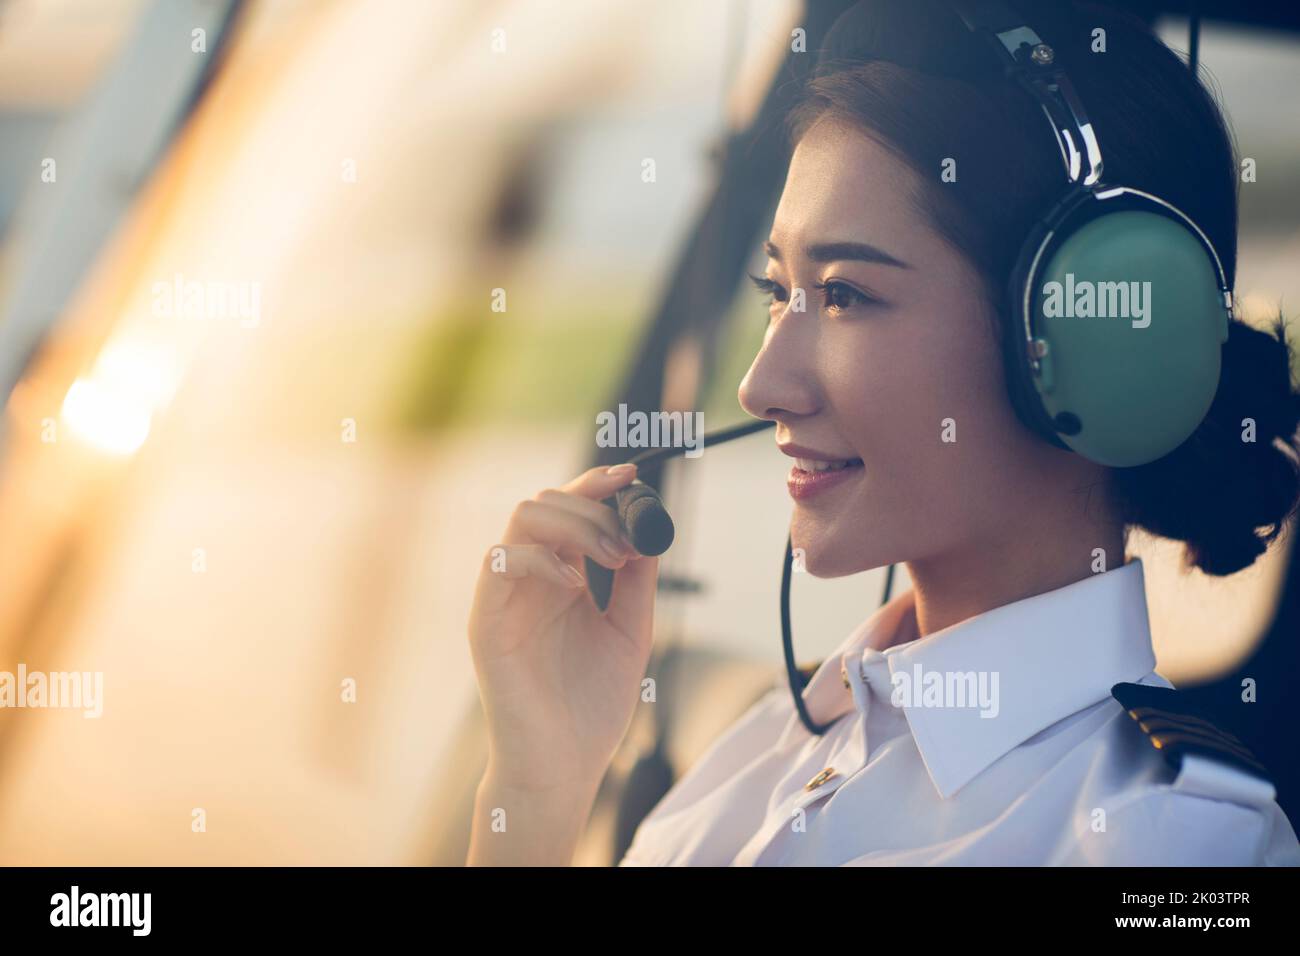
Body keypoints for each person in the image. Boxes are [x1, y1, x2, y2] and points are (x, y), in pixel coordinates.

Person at [464, 0, 1300, 865]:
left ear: (1087, 344)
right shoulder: (755, 755)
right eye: (776, 292)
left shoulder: (1184, 853)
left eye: (844, 295)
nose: (759, 388)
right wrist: (539, 788)